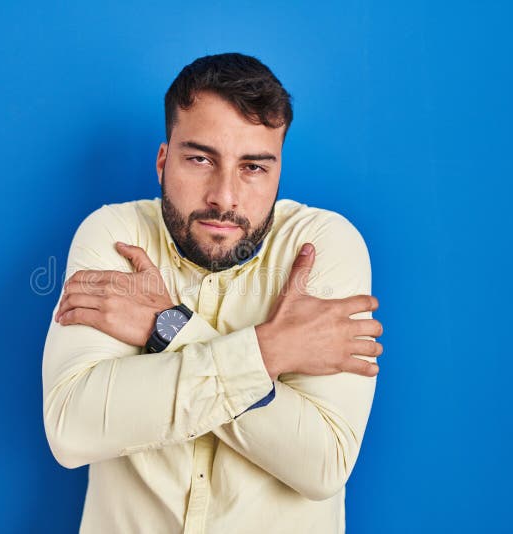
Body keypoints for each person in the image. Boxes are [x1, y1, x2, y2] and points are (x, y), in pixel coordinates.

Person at [41, 52, 384, 534]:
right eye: (200, 159)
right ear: (163, 162)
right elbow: (72, 428)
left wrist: (167, 327)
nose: (224, 196)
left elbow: (322, 464)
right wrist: (270, 351)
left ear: (278, 173)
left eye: (253, 167)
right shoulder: (115, 234)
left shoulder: (325, 245)